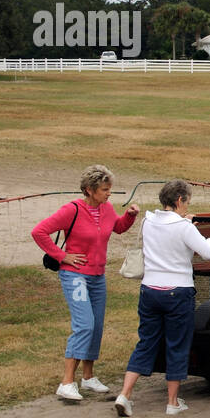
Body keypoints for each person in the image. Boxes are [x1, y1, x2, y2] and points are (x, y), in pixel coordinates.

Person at [32, 165, 139, 402]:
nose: (109, 193)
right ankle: (67, 382)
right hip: (75, 275)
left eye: (109, 189)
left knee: (96, 325)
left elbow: (118, 228)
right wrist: (62, 257)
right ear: (90, 190)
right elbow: (39, 232)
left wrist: (130, 216)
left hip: (98, 276)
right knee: (85, 325)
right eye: (104, 189)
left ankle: (88, 377)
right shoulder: (71, 210)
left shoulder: (107, 208)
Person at [114, 180, 210, 417]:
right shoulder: (184, 227)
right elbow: (208, 252)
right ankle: (172, 401)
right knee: (177, 344)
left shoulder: (148, 221)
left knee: (146, 341)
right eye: (187, 202)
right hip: (177, 291)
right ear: (180, 200)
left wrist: (186, 222)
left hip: (149, 289)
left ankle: (125, 393)